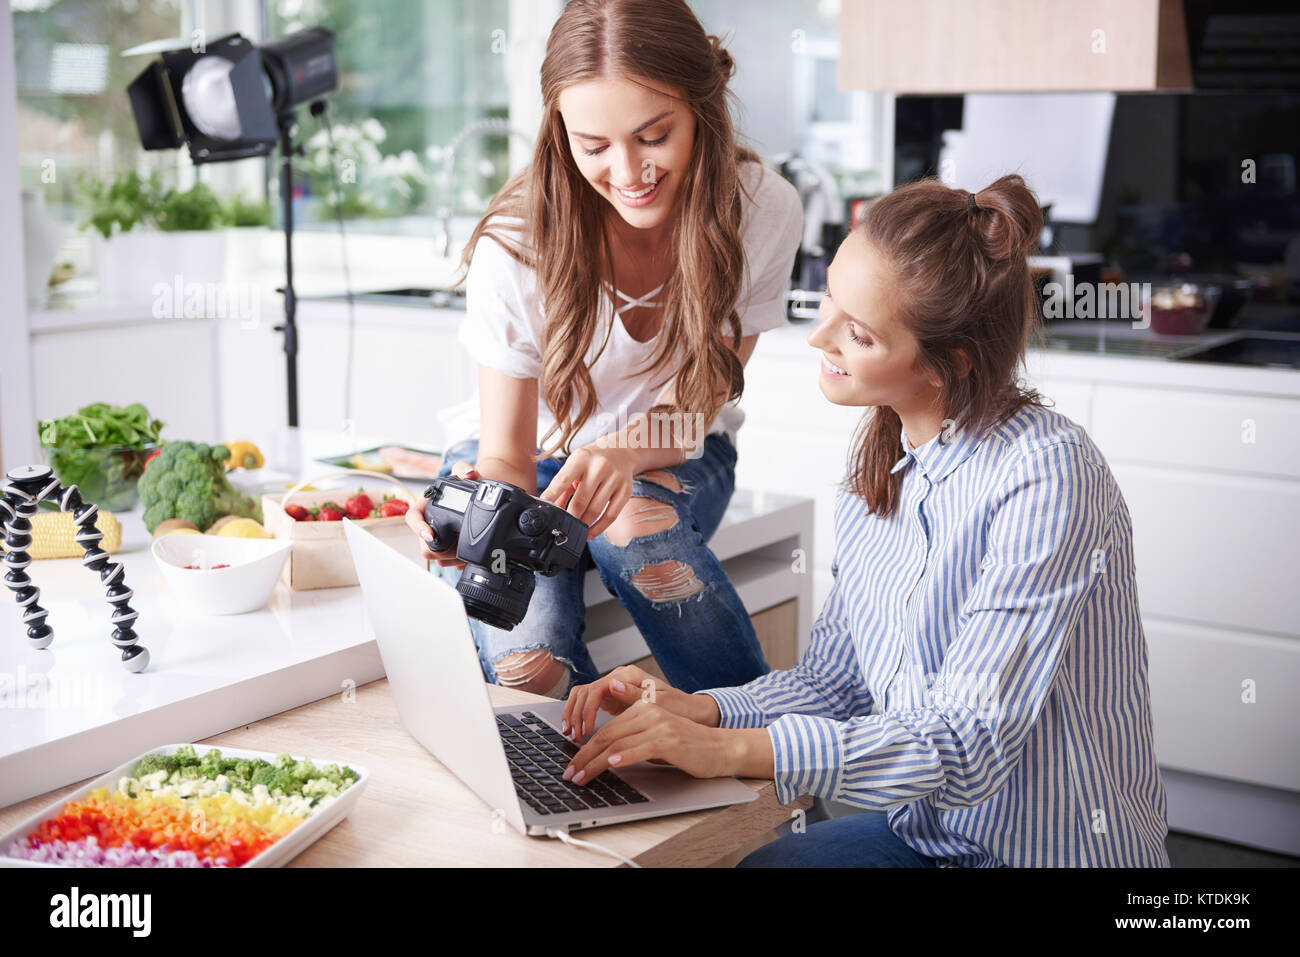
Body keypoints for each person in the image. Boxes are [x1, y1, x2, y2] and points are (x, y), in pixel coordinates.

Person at [558, 174, 1172, 868]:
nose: (819, 336)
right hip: (926, 835)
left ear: (948, 364)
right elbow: (836, 687)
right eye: (828, 299)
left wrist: (731, 750)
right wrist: (706, 710)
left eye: (857, 331)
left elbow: (967, 742)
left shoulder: (1048, 474)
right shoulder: (881, 470)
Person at [407, 0, 803, 698]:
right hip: (529, 459)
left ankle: (761, 742)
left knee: (630, 529)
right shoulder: (517, 241)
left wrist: (617, 456)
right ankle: (588, 782)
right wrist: (476, 523)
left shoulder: (761, 209)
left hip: (677, 450)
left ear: (702, 108)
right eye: (594, 147)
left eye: (654, 135)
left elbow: (698, 405)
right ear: (561, 134)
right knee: (527, 669)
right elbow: (506, 452)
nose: (628, 171)